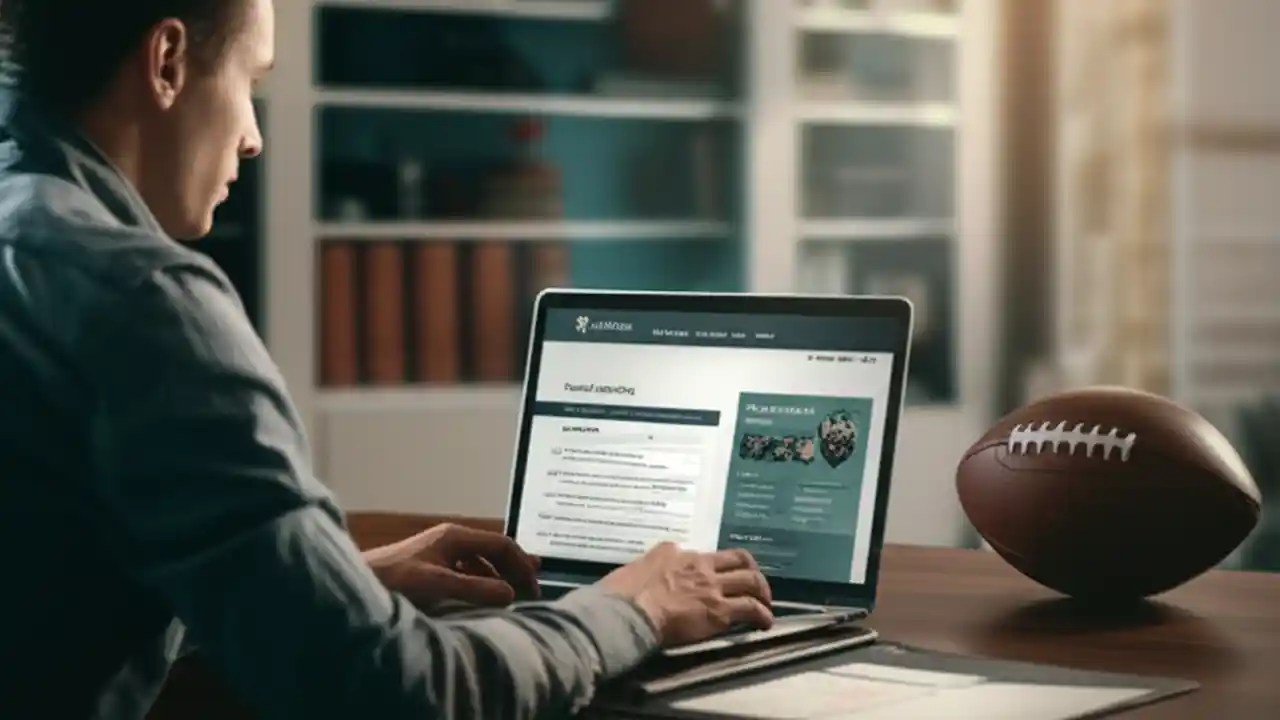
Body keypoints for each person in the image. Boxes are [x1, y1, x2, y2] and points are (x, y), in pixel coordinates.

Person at [0, 1, 774, 718]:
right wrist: (628, 611)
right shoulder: (141, 299)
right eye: (249, 81)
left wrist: (340, 582)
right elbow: (394, 687)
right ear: (167, 61)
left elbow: (58, 595)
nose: (254, 135)